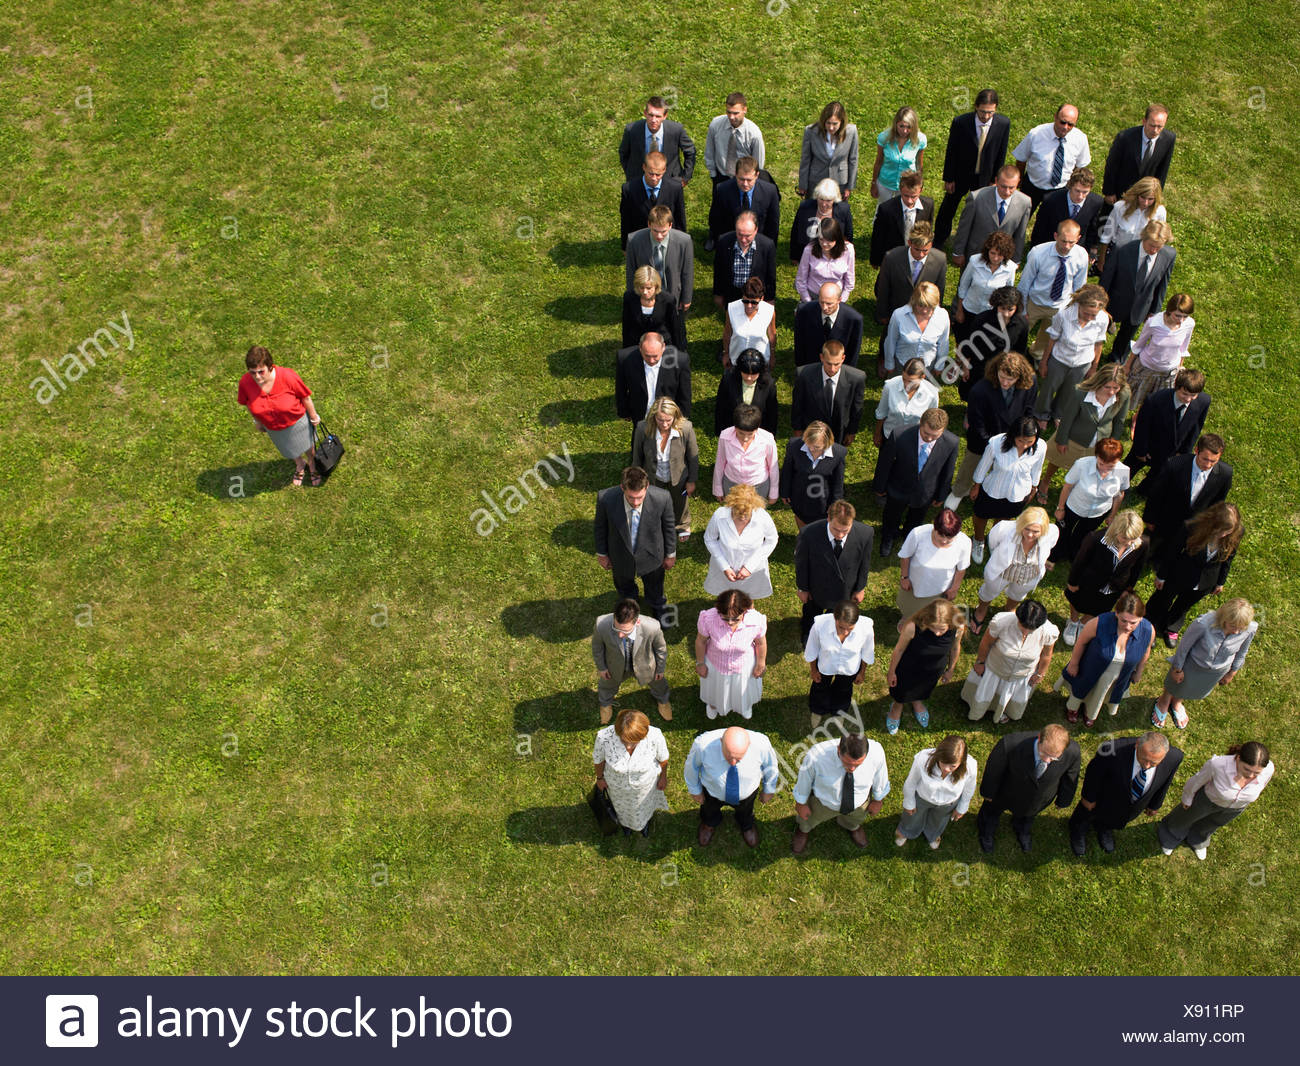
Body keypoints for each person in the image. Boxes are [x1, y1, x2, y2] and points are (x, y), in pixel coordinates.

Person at [1146, 501, 1244, 650]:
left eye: (1227, 532)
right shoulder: (1192, 527)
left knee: (1184, 604)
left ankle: (1172, 626)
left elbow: (1229, 558)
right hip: (1179, 573)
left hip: (1206, 580)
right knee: (1162, 598)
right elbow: (1172, 552)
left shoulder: (1236, 533)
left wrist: (1220, 582)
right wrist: (1162, 575)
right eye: (1219, 531)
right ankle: (1150, 624)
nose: (1222, 535)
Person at [1068, 731, 1182, 856]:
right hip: (1104, 796)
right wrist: (1088, 798)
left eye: (1154, 763)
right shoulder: (1111, 750)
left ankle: (1104, 828)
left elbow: (1166, 781)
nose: (1147, 766)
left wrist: (1155, 804)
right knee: (1086, 814)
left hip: (1131, 806)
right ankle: (1078, 830)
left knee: (1115, 817)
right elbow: (1094, 774)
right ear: (1137, 744)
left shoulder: (1174, 757)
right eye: (1144, 759)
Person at [947, 351, 1038, 507]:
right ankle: (959, 491)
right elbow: (977, 422)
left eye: (1010, 379)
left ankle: (991, 488)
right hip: (982, 439)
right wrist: (993, 444)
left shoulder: (1030, 382)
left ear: (1020, 377)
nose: (1005, 383)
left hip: (1013, 438)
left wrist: (1016, 439)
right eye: (1002, 377)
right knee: (971, 465)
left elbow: (1029, 409)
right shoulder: (980, 390)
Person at [1158, 741, 1273, 861]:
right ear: (1238, 758)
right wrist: (1187, 798)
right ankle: (1170, 835)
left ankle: (1198, 839)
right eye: (1247, 769)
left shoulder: (1269, 768)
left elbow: (1263, 784)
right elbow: (1197, 780)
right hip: (1208, 800)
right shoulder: (1218, 764)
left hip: (1235, 808)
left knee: (1213, 823)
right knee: (1186, 817)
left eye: (1257, 773)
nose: (1250, 776)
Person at [1153, 598, 1257, 730]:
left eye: (1241, 628)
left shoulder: (1250, 629)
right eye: (1233, 626)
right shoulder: (1203, 624)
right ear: (1224, 618)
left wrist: (1232, 671)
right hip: (1192, 665)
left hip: (1216, 671)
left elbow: (1242, 651)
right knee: (1176, 683)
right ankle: (1164, 700)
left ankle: (1177, 702)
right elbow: (1184, 647)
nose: (1236, 632)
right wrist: (1177, 668)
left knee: (1191, 688)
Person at [977, 724, 1081, 852]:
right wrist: (988, 792)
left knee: (1029, 815)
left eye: (1054, 757)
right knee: (991, 812)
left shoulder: (1073, 752)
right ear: (1039, 738)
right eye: (1044, 753)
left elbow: (1070, 778)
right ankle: (986, 829)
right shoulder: (1010, 744)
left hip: (1038, 798)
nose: (1047, 761)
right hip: (1005, 792)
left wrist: (1063, 800)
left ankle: (1022, 828)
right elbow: (994, 770)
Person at [1056, 590, 1153, 726]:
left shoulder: (1149, 630)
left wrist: (1139, 671)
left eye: (1133, 623)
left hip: (1117, 675)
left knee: (1101, 694)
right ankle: (1073, 708)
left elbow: (1146, 650)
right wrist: (1074, 663)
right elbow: (1081, 642)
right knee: (1083, 687)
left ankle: (1090, 712)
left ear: (1141, 618)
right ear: (1116, 614)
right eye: (1123, 620)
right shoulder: (1099, 623)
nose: (1127, 626)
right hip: (1091, 667)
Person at [593, 466, 676, 618]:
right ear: (622, 488)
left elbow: (669, 527)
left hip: (652, 556)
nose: (636, 502)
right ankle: (629, 609)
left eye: (640, 497)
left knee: (655, 588)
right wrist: (602, 554)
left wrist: (670, 554)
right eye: (631, 497)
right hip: (620, 555)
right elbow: (600, 527)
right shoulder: (606, 499)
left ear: (647, 487)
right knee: (625, 589)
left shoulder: (662, 498)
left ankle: (657, 607)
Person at [1037, 363, 1130, 498]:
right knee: (1057, 460)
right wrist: (1062, 440)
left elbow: (1119, 421)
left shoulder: (1124, 394)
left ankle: (1075, 488)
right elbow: (1067, 418)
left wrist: (1113, 444)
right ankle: (1045, 481)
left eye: (1115, 388)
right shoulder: (1080, 393)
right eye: (1107, 387)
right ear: (1099, 382)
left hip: (1099, 442)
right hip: (1073, 437)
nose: (1111, 392)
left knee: (1088, 469)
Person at [934, 88, 1010, 247]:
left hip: (984, 177)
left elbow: (1000, 153)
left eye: (991, 112)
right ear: (976, 106)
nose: (986, 116)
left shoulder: (1003, 124)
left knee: (979, 211)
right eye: (983, 111)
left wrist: (995, 179)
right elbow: (951, 151)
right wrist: (949, 178)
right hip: (961, 174)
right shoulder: (961, 122)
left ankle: (972, 241)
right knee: (948, 208)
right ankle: (939, 239)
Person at [962, 599, 1059, 724]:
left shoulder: (1048, 631)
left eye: (1031, 629)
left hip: (1021, 676)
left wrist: (1040, 673)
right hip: (995, 669)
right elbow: (986, 643)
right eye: (1023, 627)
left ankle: (1002, 710)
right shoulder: (1002, 622)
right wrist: (980, 662)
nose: (1026, 632)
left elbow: (1046, 654)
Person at [877, 410, 960, 556]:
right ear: (920, 424)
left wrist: (941, 495)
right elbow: (885, 463)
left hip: (926, 492)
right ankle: (888, 537)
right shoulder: (900, 435)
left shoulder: (952, 442)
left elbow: (948, 471)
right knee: (891, 515)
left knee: (916, 519)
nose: (929, 438)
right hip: (898, 486)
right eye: (925, 433)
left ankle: (909, 537)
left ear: (943, 430)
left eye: (935, 436)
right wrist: (880, 486)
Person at [1062, 508, 1150, 646]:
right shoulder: (1096, 539)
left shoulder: (1143, 543)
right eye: (1124, 538)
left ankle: (1084, 622)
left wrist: (1129, 588)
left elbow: (1137, 567)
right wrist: (1072, 582)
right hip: (1089, 581)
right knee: (1077, 601)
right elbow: (1080, 562)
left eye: (1132, 539)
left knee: (1100, 607)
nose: (1128, 543)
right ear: (1116, 531)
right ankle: (1073, 622)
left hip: (1115, 587)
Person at [237, 345, 322, 486]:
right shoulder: (245, 383)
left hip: (297, 423)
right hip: (272, 427)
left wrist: (313, 417)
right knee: (288, 448)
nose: (257, 377)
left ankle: (312, 465)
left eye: (261, 371)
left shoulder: (287, 376)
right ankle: (300, 464)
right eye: (253, 372)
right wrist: (257, 421)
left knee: (308, 446)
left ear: (270, 366)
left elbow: (305, 397)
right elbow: (247, 403)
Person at [791, 733, 889, 853]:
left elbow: (880, 777)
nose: (852, 769)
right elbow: (804, 781)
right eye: (848, 763)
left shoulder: (877, 753)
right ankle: (803, 830)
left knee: (856, 818)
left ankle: (852, 826)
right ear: (838, 749)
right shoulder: (816, 756)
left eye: (857, 764)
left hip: (858, 803)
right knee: (808, 819)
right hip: (823, 802)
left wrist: (878, 800)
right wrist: (801, 803)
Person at [685, 725, 780, 847]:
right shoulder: (702, 746)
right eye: (729, 756)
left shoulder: (762, 745)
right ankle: (709, 823)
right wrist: (695, 790)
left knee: (746, 811)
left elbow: (771, 767)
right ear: (721, 742)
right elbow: (691, 767)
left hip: (747, 794)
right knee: (709, 809)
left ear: (749, 745)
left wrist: (769, 789)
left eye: (738, 758)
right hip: (712, 792)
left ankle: (746, 825)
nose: (733, 762)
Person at [794, 498, 874, 645]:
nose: (840, 535)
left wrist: (860, 588)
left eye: (846, 530)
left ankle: (830, 632)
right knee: (811, 613)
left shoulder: (865, 533)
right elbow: (801, 564)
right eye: (836, 529)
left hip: (845, 589)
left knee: (836, 614)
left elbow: (865, 563)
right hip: (816, 587)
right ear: (828, 518)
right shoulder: (809, 533)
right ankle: (809, 631)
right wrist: (803, 588)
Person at [1142, 433, 1232, 561]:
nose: (1207, 465)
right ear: (1196, 451)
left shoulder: (1225, 474)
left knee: (1174, 549)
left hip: (1193, 524)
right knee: (1153, 544)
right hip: (1166, 517)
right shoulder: (1175, 465)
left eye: (1213, 461)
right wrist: (1150, 518)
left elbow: (1218, 501)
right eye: (1204, 459)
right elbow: (1157, 493)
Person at [969, 508, 1059, 633]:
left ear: (1043, 530)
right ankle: (981, 610)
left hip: (1029, 576)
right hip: (1002, 572)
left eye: (1035, 531)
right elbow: (993, 543)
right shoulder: (1004, 528)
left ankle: (1009, 610)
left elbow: (1051, 544)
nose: (1030, 535)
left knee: (1017, 595)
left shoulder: (1052, 532)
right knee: (990, 591)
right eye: (1026, 529)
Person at [968, 417, 1047, 559]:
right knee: (981, 515)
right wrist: (976, 486)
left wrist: (1034, 487)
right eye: (1020, 441)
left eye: (1029, 442)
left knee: (1004, 519)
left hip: (1018, 493)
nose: (1024, 445)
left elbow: (1037, 468)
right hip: (993, 490)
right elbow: (983, 465)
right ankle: (978, 540)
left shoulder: (1041, 447)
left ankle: (994, 540)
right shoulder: (996, 443)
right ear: (1013, 436)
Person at [874, 224, 947, 375]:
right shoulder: (892, 257)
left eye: (925, 251)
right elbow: (884, 287)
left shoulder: (940, 259)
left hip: (925, 309)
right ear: (910, 243)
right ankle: (884, 358)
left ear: (931, 245)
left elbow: (940, 287)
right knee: (889, 335)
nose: (920, 255)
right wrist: (882, 312)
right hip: (897, 306)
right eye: (917, 250)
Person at [1125, 368, 1209, 496]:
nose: (1188, 399)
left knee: (1157, 476)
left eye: (1193, 395)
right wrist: (1140, 451)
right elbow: (1142, 428)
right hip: (1149, 447)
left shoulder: (1203, 402)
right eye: (1184, 394)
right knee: (1129, 469)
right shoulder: (1155, 400)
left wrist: (1183, 452)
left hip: (1171, 452)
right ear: (1177, 387)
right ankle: (1118, 487)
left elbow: (1196, 428)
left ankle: (1143, 491)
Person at [1046, 438, 1129, 569]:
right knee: (1063, 532)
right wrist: (1060, 508)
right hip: (1074, 506)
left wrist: (1112, 515)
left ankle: (1073, 554)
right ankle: (1054, 555)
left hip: (1098, 512)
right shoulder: (1082, 465)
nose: (1105, 470)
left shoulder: (1123, 471)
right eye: (1101, 464)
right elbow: (1067, 486)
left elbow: (1119, 494)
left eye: (1111, 466)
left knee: (1083, 535)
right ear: (1096, 456)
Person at [1100, 219, 1176, 362]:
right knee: (1097, 330)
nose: (1153, 250)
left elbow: (1162, 285)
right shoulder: (1123, 249)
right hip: (1115, 302)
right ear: (1143, 237)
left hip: (1141, 306)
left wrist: (1154, 311)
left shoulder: (1169, 255)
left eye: (1158, 247)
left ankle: (1117, 360)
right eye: (1151, 246)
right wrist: (1100, 303)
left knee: (1126, 338)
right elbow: (1107, 278)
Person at [1035, 285, 1111, 425]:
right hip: (1060, 358)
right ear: (1079, 305)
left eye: (1093, 315)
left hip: (1082, 362)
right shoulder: (1063, 314)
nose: (1089, 318)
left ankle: (1058, 414)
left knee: (1070, 391)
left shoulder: (1103, 319)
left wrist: (1094, 367)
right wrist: (1044, 362)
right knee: (1049, 388)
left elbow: (1098, 344)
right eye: (1086, 313)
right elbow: (1052, 340)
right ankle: (1041, 415)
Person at [886, 600, 964, 733]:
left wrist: (950, 670)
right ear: (927, 619)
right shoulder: (913, 626)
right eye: (933, 627)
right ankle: (897, 706)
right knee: (901, 691)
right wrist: (892, 672)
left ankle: (917, 701)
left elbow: (955, 648)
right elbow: (899, 650)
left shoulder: (958, 627)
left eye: (942, 629)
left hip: (933, 671)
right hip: (909, 668)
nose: (937, 633)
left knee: (924, 688)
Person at [591, 599, 672, 726]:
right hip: (614, 665)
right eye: (616, 629)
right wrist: (602, 667)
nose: (620, 635)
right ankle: (605, 703)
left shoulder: (653, 627)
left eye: (626, 631)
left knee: (659, 683)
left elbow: (661, 649)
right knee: (607, 685)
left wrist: (660, 669)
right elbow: (597, 648)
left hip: (645, 665)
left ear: (637, 621)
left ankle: (663, 700)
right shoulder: (601, 624)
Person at [593, 710, 670, 838]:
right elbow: (598, 760)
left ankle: (643, 824)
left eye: (633, 742)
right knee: (621, 808)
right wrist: (600, 778)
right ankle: (626, 825)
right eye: (624, 741)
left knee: (643, 807)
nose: (628, 747)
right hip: (617, 787)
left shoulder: (655, 735)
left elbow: (663, 758)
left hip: (645, 786)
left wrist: (663, 777)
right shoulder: (604, 737)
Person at [703, 93, 766, 249]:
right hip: (721, 174)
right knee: (717, 208)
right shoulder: (716, 125)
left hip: (742, 178)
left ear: (745, 110)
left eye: (736, 113)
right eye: (729, 112)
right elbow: (709, 150)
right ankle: (714, 235)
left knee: (741, 208)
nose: (731, 117)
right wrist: (713, 173)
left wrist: (750, 179)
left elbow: (759, 161)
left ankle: (740, 235)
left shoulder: (754, 133)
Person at [1019, 220, 1089, 358]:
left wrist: (1073, 310)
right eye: (1063, 241)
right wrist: (1023, 308)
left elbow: (1079, 287)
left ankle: (1035, 356)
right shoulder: (1038, 253)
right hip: (1035, 302)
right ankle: (1014, 354)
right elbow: (1025, 283)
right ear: (1056, 236)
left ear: (1078, 239)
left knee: (1047, 337)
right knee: (1019, 332)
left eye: (1071, 242)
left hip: (1060, 306)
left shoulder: (1081, 256)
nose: (1067, 246)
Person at [694, 591, 768, 721]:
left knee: (742, 691)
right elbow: (701, 641)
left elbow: (761, 643)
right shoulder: (708, 619)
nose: (730, 622)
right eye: (725, 618)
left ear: (744, 611)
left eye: (735, 619)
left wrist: (760, 664)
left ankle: (744, 706)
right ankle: (713, 706)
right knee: (715, 690)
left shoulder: (756, 621)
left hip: (743, 666)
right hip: (716, 665)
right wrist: (700, 663)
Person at [631, 396, 698, 541]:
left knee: (680, 501)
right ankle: (656, 524)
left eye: (668, 420)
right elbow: (637, 456)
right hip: (653, 475)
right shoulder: (643, 428)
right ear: (653, 416)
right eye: (660, 420)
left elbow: (693, 457)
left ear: (675, 416)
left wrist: (691, 480)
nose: (665, 424)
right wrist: (636, 481)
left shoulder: (685, 428)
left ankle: (682, 524)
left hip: (678, 475)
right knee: (653, 501)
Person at [896, 735, 977, 850]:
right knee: (912, 817)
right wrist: (909, 801)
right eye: (943, 763)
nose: (946, 769)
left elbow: (969, 788)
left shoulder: (971, 766)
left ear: (962, 762)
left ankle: (932, 834)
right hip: (922, 798)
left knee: (939, 821)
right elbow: (911, 782)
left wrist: (962, 806)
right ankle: (906, 831)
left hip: (948, 803)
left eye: (953, 766)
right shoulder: (923, 758)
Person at [804, 600, 875, 729]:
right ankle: (818, 709)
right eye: (841, 627)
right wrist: (814, 670)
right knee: (820, 687)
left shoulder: (866, 630)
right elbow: (812, 649)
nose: (845, 632)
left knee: (844, 690)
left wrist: (862, 672)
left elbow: (867, 652)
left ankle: (839, 711)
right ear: (834, 618)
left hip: (849, 668)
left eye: (850, 628)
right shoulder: (820, 626)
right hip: (826, 665)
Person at [872, 357, 940, 492]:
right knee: (885, 464)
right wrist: (877, 433)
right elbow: (882, 412)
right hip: (890, 435)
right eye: (904, 379)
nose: (905, 383)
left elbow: (932, 419)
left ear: (922, 377)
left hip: (914, 439)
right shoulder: (890, 386)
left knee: (905, 465)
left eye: (910, 381)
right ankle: (881, 489)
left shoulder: (932, 393)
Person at [703, 483, 779, 599]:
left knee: (748, 599)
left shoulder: (763, 517)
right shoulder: (719, 515)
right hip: (724, 568)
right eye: (738, 514)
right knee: (725, 599)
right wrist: (724, 566)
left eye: (746, 514)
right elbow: (710, 539)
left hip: (754, 571)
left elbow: (771, 540)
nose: (743, 518)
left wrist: (750, 567)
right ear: (731, 506)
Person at [1122, 294, 1195, 413]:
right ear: (1169, 310)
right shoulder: (1154, 323)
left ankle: (1139, 417)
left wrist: (1179, 368)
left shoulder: (1189, 324)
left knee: (1155, 402)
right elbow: (1139, 345)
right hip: (1146, 367)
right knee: (1132, 397)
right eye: (1177, 315)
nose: (1181, 320)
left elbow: (1183, 348)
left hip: (1168, 372)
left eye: (1185, 316)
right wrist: (1127, 366)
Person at [954, 289, 1030, 403]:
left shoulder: (1021, 324)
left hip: (1003, 368)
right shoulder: (982, 320)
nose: (1006, 313)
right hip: (980, 365)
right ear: (996, 305)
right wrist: (965, 366)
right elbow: (969, 344)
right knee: (975, 394)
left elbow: (1020, 349)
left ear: (1017, 307)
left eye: (1010, 309)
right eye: (1002, 308)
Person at [897, 508, 970, 623]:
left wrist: (954, 588)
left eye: (950, 537)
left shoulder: (964, 543)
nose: (945, 540)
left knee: (933, 613)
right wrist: (904, 577)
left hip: (941, 588)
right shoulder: (918, 534)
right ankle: (907, 618)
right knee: (909, 608)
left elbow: (961, 569)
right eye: (941, 535)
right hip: (915, 584)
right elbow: (905, 556)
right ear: (934, 528)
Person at [614, 331, 692, 440]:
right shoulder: (625, 358)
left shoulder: (680, 360)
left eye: (655, 356)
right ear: (640, 348)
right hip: (641, 413)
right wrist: (624, 411)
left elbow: (685, 393)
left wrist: (682, 417)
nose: (651, 361)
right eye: (647, 356)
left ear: (663, 347)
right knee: (640, 444)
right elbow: (621, 387)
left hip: (667, 416)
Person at [951, 165, 1032, 268]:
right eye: (1003, 186)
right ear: (996, 181)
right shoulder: (977, 198)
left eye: (1011, 188)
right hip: (976, 254)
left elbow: (1020, 234)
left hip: (1002, 258)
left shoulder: (1025, 202)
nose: (1007, 192)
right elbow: (964, 228)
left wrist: (1016, 260)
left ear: (1018, 182)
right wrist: (958, 252)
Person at [1012, 104, 1091, 208]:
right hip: (1032, 185)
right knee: (1021, 216)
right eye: (1062, 122)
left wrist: (1071, 184)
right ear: (1055, 117)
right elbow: (1021, 159)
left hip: (1060, 189)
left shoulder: (1080, 139)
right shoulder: (1036, 134)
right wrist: (1019, 180)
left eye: (1070, 124)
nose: (1065, 127)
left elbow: (1080, 166)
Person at [790, 341, 867, 446]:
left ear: (843, 358)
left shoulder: (857, 378)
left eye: (837, 364)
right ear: (821, 357)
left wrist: (851, 431)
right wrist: (798, 429)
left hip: (839, 432)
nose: (832, 369)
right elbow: (798, 404)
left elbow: (856, 407)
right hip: (812, 430)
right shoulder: (804, 375)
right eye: (828, 363)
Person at [625, 205, 694, 316]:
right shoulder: (634, 240)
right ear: (649, 224)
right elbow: (631, 271)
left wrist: (686, 298)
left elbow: (687, 272)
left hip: (673, 294)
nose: (659, 236)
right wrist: (632, 298)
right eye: (655, 231)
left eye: (663, 231)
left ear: (670, 225)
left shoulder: (684, 241)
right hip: (646, 296)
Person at [953, 231, 1018, 347]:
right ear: (987, 250)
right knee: (962, 340)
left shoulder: (1011, 268)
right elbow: (963, 286)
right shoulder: (974, 261)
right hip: (970, 309)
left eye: (1000, 254)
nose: (996, 258)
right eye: (992, 253)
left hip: (990, 314)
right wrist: (959, 310)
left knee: (980, 345)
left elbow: (1008, 294)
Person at [780, 421, 847, 530]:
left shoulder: (838, 454)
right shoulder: (794, 446)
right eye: (808, 444)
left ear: (827, 443)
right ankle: (803, 537)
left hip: (822, 501)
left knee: (819, 527)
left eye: (816, 447)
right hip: (799, 496)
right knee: (800, 517)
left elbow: (838, 482)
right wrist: (784, 492)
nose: (811, 449)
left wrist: (835, 504)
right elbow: (787, 471)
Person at [1103, 105, 1176, 203]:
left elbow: (1163, 170)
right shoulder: (1125, 138)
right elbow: (1112, 166)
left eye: (1160, 127)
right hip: (1121, 192)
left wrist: (1156, 196)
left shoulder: (1169, 139)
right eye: (1152, 125)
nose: (1155, 130)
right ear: (1144, 121)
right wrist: (1109, 192)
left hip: (1145, 197)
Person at [1029, 167, 1104, 261]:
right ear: (1070, 186)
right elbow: (1040, 228)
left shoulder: (1096, 203)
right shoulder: (1051, 200)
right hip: (1051, 247)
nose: (1080, 196)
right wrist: (1035, 252)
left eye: (1085, 192)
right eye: (1077, 191)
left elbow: (1093, 229)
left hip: (1077, 250)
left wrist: (1091, 249)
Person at [1095, 177, 1166, 275]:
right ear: (1137, 194)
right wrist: (1101, 259)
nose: (1145, 203)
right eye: (1143, 197)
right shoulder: (1120, 207)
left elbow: (1159, 238)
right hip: (1118, 253)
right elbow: (1107, 235)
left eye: (1150, 199)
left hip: (1141, 257)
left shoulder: (1160, 212)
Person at [618, 151, 686, 250]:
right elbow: (626, 220)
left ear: (664, 170)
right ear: (644, 167)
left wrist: (681, 243)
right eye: (651, 174)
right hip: (641, 241)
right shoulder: (629, 189)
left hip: (666, 239)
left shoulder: (675, 188)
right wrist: (625, 245)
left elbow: (680, 217)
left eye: (658, 174)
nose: (654, 178)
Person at [619, 96, 695, 184]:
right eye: (651, 115)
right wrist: (631, 175)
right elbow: (624, 154)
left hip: (670, 181)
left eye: (658, 116)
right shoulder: (632, 130)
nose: (653, 120)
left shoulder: (676, 130)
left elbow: (690, 151)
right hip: (639, 182)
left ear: (665, 116)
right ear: (645, 113)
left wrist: (685, 178)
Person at [712, 406, 779, 503]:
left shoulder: (767, 439)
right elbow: (720, 463)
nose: (745, 438)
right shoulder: (724, 436)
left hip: (758, 485)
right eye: (741, 433)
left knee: (756, 512)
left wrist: (774, 492)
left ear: (757, 428)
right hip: (731, 483)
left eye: (750, 434)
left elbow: (773, 467)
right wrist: (717, 488)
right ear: (735, 427)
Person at [708, 156, 780, 245]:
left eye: (749, 180)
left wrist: (769, 247)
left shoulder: (769, 191)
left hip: (759, 243)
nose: (745, 184)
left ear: (757, 175)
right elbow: (715, 220)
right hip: (731, 242)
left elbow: (773, 224)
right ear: (735, 174)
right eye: (741, 179)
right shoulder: (722, 190)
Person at [712, 212, 777, 309]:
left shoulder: (767, 245)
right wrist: (718, 293)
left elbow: (770, 275)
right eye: (739, 234)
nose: (743, 239)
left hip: (754, 295)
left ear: (756, 230)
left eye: (747, 236)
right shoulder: (724, 241)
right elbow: (718, 270)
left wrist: (770, 298)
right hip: (732, 293)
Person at [882, 281, 950, 373]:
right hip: (902, 365)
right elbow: (891, 341)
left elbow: (943, 344)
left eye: (929, 306)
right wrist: (889, 364)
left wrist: (939, 366)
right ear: (914, 301)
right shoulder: (899, 315)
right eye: (921, 305)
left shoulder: (943, 316)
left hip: (927, 369)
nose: (925, 311)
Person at [869, 170, 933, 267]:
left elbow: (928, 230)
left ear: (921, 190)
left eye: (914, 196)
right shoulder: (886, 209)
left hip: (916, 255)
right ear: (900, 189)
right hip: (894, 256)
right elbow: (878, 237)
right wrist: (876, 260)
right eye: (906, 196)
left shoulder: (928, 205)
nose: (909, 201)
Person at [793, 281, 863, 368]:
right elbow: (799, 342)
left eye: (829, 304)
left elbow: (853, 351)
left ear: (839, 300)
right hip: (811, 365)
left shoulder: (854, 319)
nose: (824, 307)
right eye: (821, 302)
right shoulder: (804, 311)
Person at [798, 101, 859, 200]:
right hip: (816, 181)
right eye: (828, 123)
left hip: (840, 182)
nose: (831, 127)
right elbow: (805, 159)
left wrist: (849, 186)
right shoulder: (811, 131)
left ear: (842, 122)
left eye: (835, 124)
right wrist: (803, 185)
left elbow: (853, 160)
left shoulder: (851, 132)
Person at [714, 348, 778, 436]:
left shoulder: (769, 384)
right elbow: (720, 407)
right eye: (746, 373)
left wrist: (771, 435)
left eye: (753, 374)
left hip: (758, 433)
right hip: (733, 431)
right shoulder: (728, 380)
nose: (749, 378)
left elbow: (772, 413)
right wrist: (720, 432)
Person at [790, 178, 855, 263]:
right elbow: (795, 232)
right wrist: (795, 256)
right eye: (821, 199)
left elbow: (848, 234)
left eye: (828, 200)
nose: (824, 204)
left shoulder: (843, 210)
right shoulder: (805, 207)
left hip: (833, 257)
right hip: (808, 255)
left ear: (834, 199)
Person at [870, 106, 926, 207]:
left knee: (904, 211)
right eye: (901, 126)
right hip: (886, 182)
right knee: (883, 210)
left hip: (908, 184)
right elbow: (878, 161)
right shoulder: (884, 138)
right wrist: (874, 183)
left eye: (909, 127)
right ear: (896, 124)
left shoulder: (920, 139)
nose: (905, 131)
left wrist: (919, 184)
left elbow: (919, 164)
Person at [621, 265, 685, 350]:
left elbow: (674, 327)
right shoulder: (629, 298)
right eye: (641, 287)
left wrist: (678, 349)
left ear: (656, 286)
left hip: (662, 343)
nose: (644, 292)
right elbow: (626, 325)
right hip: (636, 343)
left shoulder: (668, 300)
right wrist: (626, 349)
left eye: (649, 288)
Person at [795, 217, 855, 303]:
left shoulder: (848, 250)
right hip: (813, 295)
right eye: (821, 239)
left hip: (836, 297)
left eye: (829, 241)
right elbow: (801, 279)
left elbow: (850, 280)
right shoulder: (809, 250)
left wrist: (840, 302)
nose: (824, 244)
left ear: (836, 238)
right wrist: (808, 301)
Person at [721, 276, 776, 369]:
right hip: (736, 362)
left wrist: (772, 355)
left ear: (761, 298)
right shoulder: (732, 308)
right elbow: (727, 333)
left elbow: (772, 335)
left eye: (754, 302)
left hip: (761, 363)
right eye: (745, 301)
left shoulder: (769, 311)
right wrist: (726, 353)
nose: (749, 306)